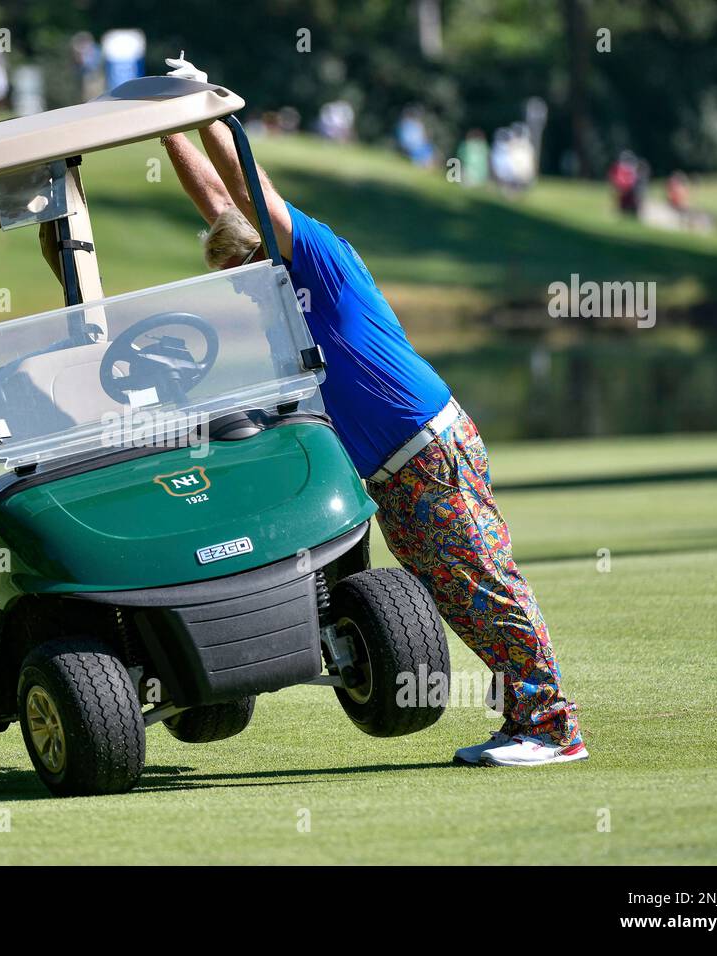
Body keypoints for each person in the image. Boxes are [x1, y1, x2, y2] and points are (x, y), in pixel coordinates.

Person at [160, 56, 585, 767]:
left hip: (427, 449)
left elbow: (245, 189)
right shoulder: (272, 291)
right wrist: (165, 129)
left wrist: (203, 106)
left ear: (263, 250)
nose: (239, 288)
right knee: (458, 596)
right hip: (394, 477)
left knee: (485, 583)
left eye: (240, 270)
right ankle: (526, 720)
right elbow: (216, 202)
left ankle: (554, 729)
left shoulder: (322, 261)